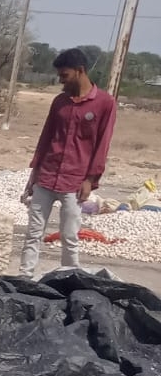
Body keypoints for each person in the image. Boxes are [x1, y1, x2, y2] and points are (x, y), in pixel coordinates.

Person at [19, 48, 117, 277]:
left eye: (64, 76)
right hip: (46, 175)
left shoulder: (104, 103)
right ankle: (24, 276)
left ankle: (69, 278)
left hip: (75, 181)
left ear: (80, 71)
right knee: (34, 231)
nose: (61, 80)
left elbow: (103, 144)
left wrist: (90, 179)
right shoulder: (59, 102)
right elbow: (46, 137)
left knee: (70, 235)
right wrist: (34, 173)